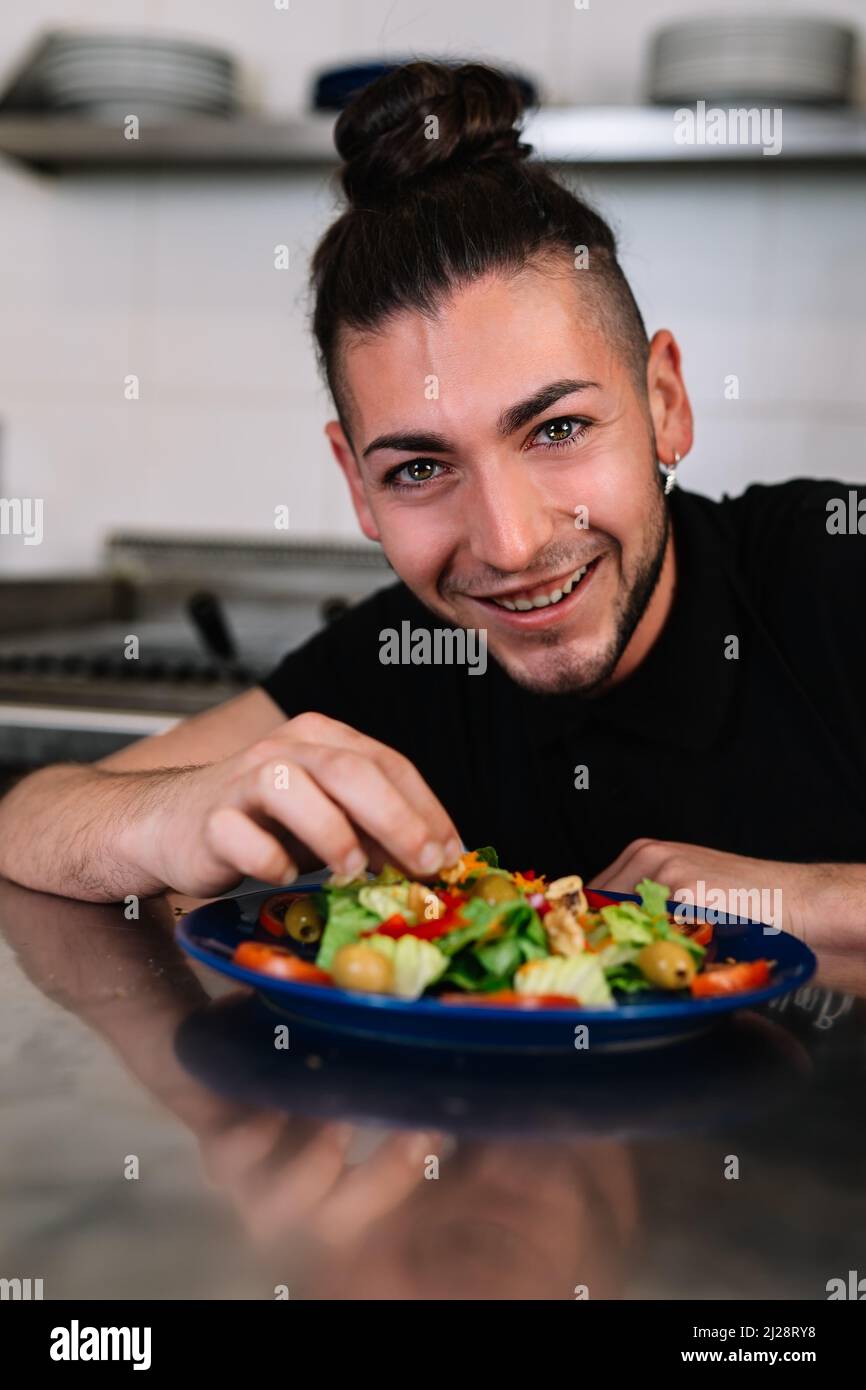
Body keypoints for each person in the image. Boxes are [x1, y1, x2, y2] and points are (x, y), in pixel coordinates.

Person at [1, 62, 864, 944]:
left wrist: (817, 899)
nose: (512, 543)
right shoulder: (402, 662)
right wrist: (170, 814)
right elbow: (27, 819)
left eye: (558, 430)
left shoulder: (832, 570)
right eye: (419, 469)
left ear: (665, 404)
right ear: (356, 486)